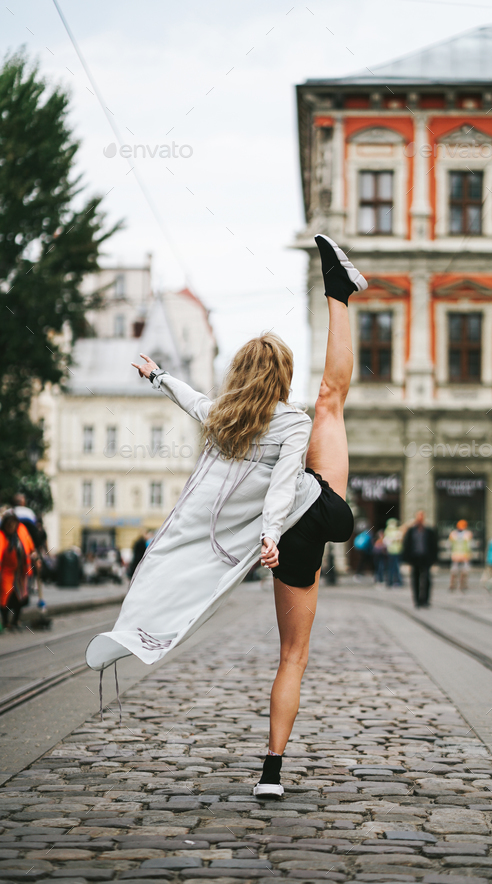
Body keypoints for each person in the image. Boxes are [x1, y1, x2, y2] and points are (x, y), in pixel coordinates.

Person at [86, 233, 366, 799]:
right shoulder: (292, 424)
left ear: (239, 373)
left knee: (292, 654)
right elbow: (284, 487)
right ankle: (341, 291)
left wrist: (158, 376)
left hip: (289, 537)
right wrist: (268, 533)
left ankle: (271, 773)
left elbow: (192, 400)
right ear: (281, 377)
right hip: (320, 513)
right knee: (332, 399)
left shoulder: (224, 418)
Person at [0, 510, 35, 631]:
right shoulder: (2, 536)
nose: (11, 526)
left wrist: (34, 556)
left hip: (20, 572)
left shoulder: (21, 533)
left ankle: (15, 620)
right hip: (6, 572)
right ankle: (5, 622)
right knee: (4, 597)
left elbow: (29, 547)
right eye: (8, 524)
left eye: (13, 524)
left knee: (21, 596)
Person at [402, 510, 438, 608]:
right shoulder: (411, 531)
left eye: (422, 516)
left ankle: (425, 600)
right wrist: (407, 559)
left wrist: (434, 559)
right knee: (415, 580)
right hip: (415, 558)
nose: (420, 518)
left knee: (427, 579)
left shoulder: (429, 531)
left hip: (426, 559)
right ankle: (417, 600)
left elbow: (434, 545)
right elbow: (407, 545)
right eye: (419, 516)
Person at [448, 519, 472, 593]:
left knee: (464, 572)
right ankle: (453, 585)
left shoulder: (467, 534)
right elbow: (449, 545)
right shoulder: (453, 534)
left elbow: (469, 545)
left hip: (464, 556)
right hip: (456, 555)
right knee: (454, 572)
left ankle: (463, 585)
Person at [383, 518, 403, 587]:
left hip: (393, 551)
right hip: (395, 551)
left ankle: (391, 581)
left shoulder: (388, 531)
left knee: (392, 566)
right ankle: (395, 580)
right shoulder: (396, 531)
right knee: (395, 567)